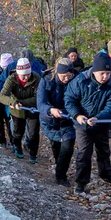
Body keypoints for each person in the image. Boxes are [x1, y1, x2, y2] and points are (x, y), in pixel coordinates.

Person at [65, 52, 111, 194]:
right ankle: (81, 182)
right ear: (95, 71)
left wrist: (99, 117)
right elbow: (69, 99)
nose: (105, 77)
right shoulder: (80, 80)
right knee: (84, 152)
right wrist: (77, 115)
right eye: (102, 73)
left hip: (101, 122)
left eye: (108, 73)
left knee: (104, 150)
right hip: (82, 124)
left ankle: (106, 175)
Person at [37, 57, 78, 186]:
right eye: (63, 76)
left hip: (68, 119)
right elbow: (40, 103)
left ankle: (61, 176)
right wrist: (50, 110)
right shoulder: (46, 81)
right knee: (56, 148)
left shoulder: (76, 81)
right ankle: (58, 166)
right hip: (50, 120)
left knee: (67, 148)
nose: (66, 79)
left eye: (69, 76)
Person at [0, 58, 42, 161]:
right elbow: (2, 96)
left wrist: (22, 102)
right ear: (18, 73)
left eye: (28, 74)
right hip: (17, 110)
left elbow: (38, 97)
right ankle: (17, 147)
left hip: (32, 109)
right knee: (18, 132)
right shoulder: (11, 79)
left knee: (33, 133)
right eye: (23, 75)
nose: (26, 77)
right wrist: (12, 102)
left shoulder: (36, 78)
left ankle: (33, 154)